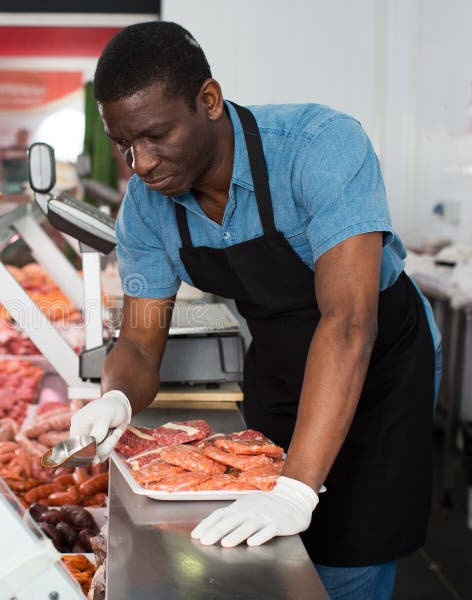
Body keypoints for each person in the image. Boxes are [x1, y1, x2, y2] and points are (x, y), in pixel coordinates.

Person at [68, 21, 441, 599]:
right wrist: (116, 395)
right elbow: (141, 343)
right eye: (124, 145)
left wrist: (297, 489)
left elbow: (348, 323)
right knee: (268, 562)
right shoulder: (146, 207)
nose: (139, 163)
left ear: (209, 101)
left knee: (350, 551)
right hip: (279, 360)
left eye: (156, 135)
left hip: (375, 363)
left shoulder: (318, 146)